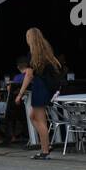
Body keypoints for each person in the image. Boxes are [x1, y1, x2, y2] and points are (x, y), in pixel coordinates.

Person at [16, 29, 64, 160]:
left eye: (27, 36)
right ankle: (46, 143)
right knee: (33, 116)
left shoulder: (32, 54)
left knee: (40, 120)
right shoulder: (46, 52)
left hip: (39, 88)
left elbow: (29, 75)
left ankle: (44, 150)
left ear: (30, 38)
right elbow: (57, 66)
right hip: (47, 88)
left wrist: (20, 94)